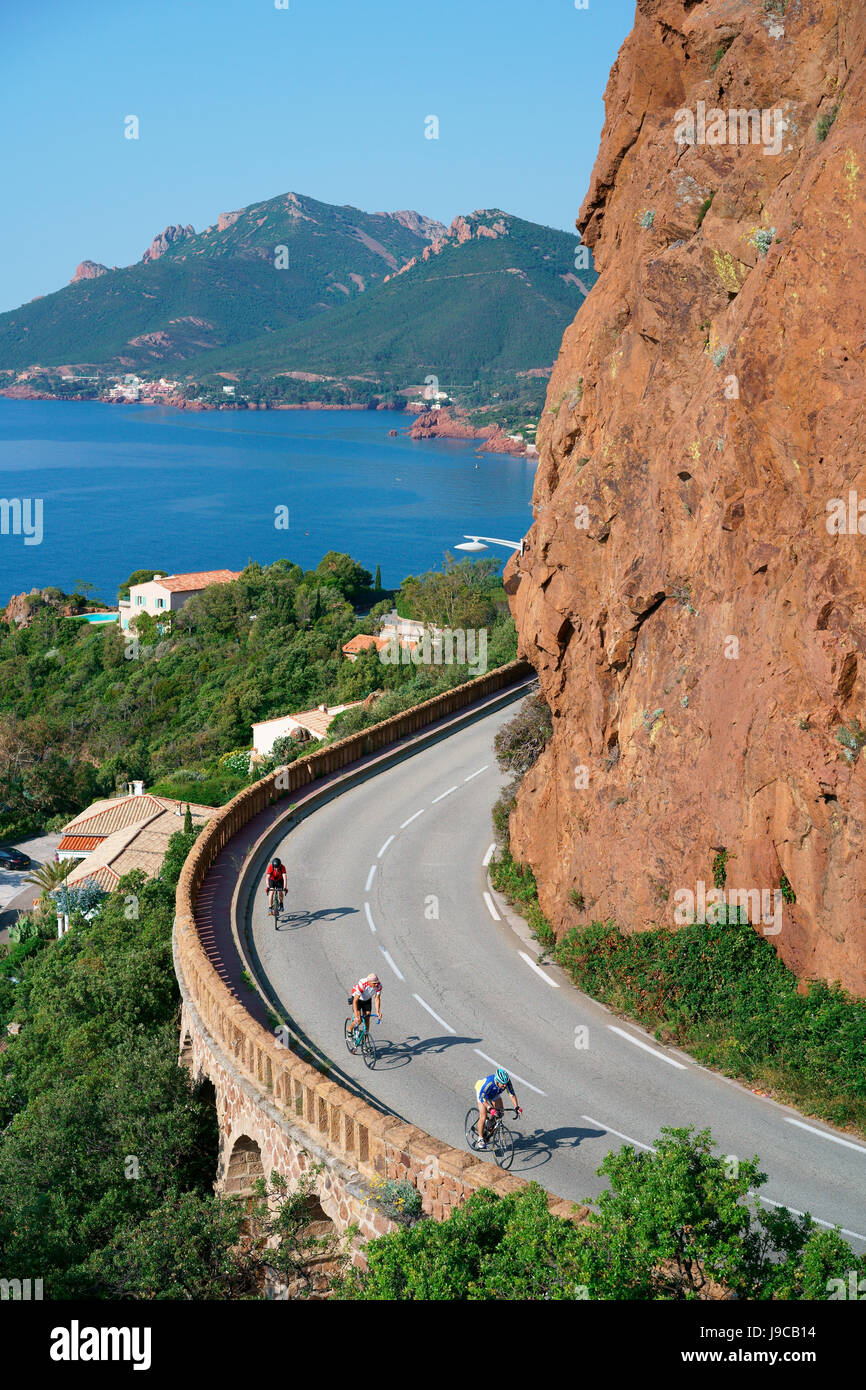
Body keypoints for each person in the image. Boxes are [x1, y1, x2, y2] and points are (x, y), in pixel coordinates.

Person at [473, 1067, 521, 1149]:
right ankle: (480, 1139)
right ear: (497, 1081)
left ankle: (490, 1123)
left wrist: (517, 1107)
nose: (505, 1085)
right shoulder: (489, 1083)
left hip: (494, 1094)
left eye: (506, 1083)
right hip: (482, 1094)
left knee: (500, 1113)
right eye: (503, 1084)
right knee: (483, 1116)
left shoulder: (506, 1083)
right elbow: (483, 1099)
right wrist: (490, 1108)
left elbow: (512, 1094)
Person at [348, 973, 382, 1049]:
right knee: (359, 1020)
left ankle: (364, 1043)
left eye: (377, 982)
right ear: (369, 982)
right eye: (374, 983)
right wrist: (357, 1014)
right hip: (358, 999)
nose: (376, 984)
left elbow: (377, 998)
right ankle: (350, 1029)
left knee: (367, 1018)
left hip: (367, 999)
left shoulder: (379, 985)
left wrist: (378, 1012)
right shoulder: (362, 984)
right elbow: (355, 1001)